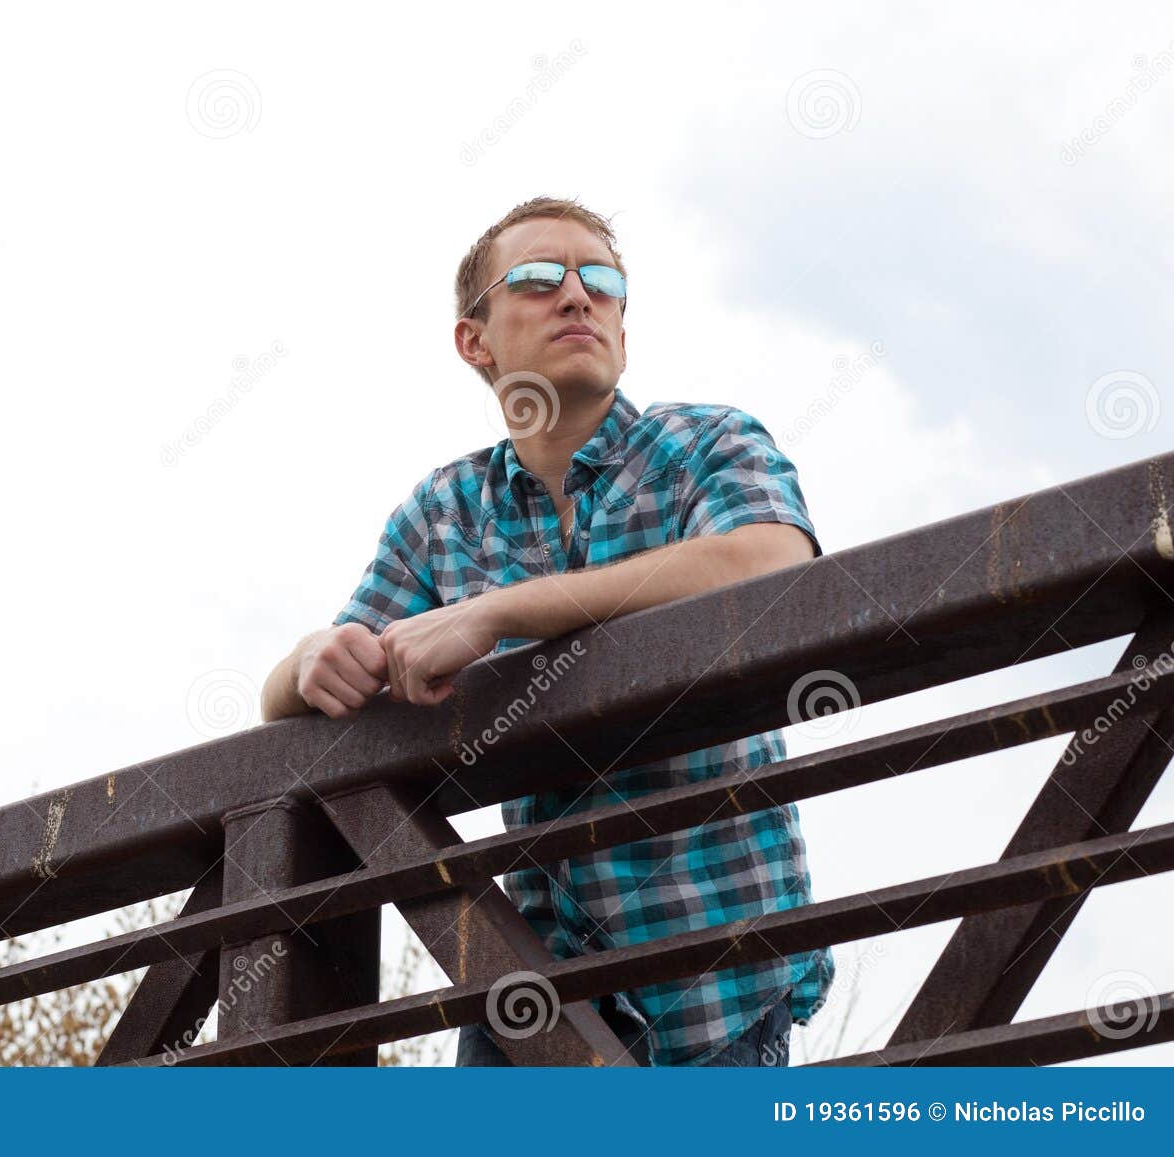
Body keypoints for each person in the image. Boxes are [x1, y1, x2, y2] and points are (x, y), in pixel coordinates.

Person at [261, 196, 833, 1067]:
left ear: (623, 330)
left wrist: (499, 613)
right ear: (474, 341)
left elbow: (773, 565)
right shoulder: (443, 512)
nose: (578, 297)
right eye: (536, 279)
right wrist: (311, 659)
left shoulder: (706, 442)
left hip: (715, 975)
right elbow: (292, 706)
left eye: (600, 281)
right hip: (524, 977)